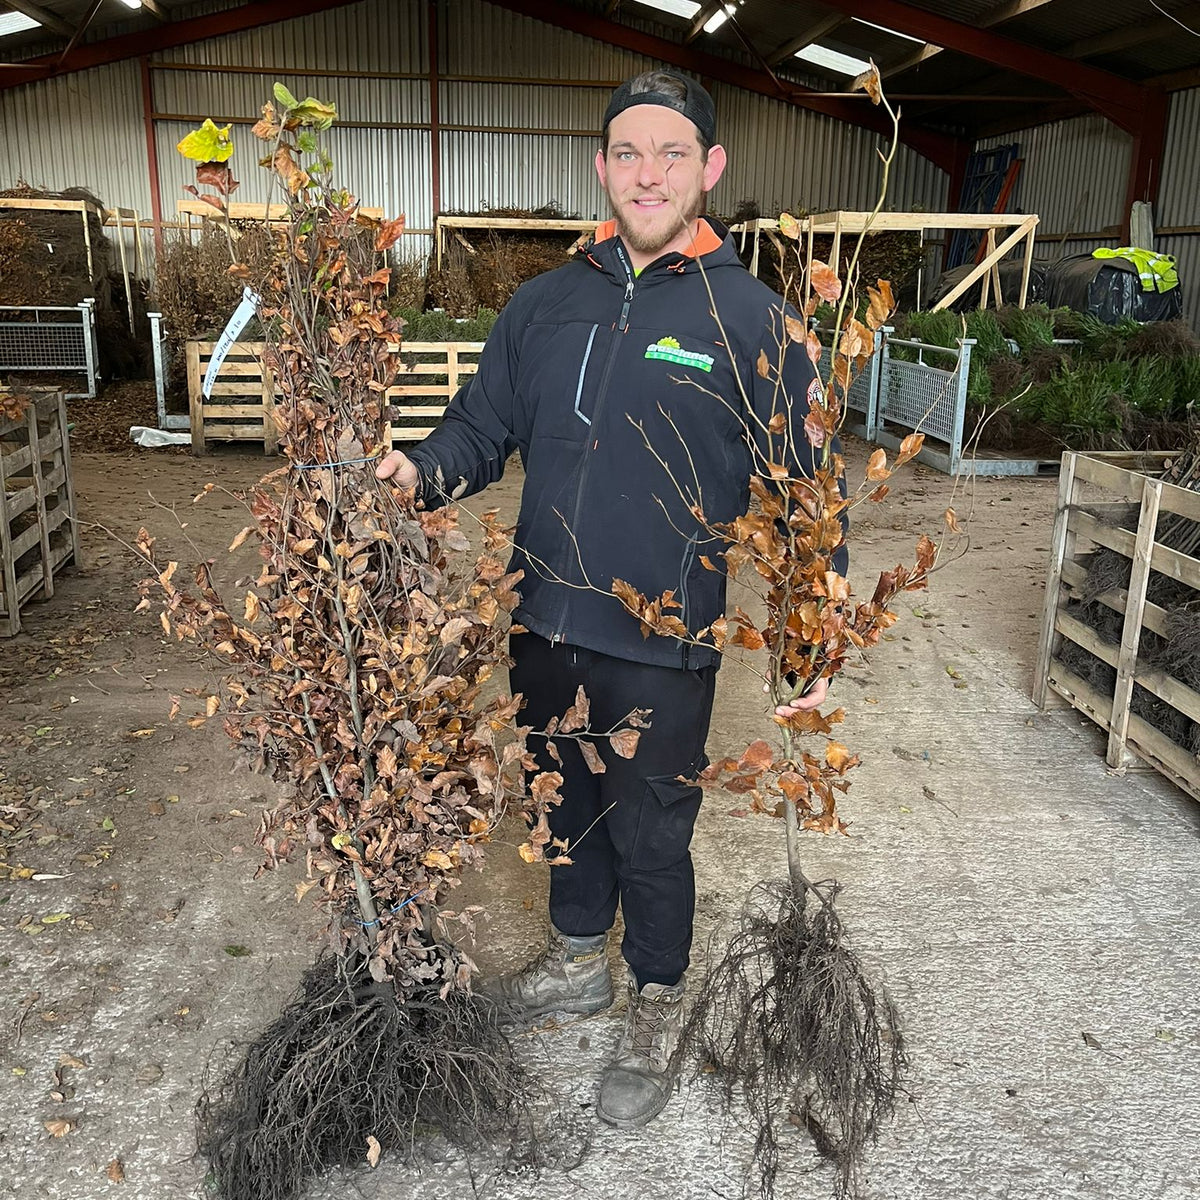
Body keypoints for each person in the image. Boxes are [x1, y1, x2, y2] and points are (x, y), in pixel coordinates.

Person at [376, 70, 843, 1129]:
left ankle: (658, 997)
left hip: (663, 639)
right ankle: (582, 959)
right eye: (629, 153)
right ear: (601, 167)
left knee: (651, 830)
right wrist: (411, 474)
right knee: (563, 808)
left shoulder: (753, 321)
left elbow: (810, 495)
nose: (648, 173)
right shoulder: (546, 303)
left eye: (672, 153)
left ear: (710, 169)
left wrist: (813, 647)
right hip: (544, 617)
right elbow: (479, 430)